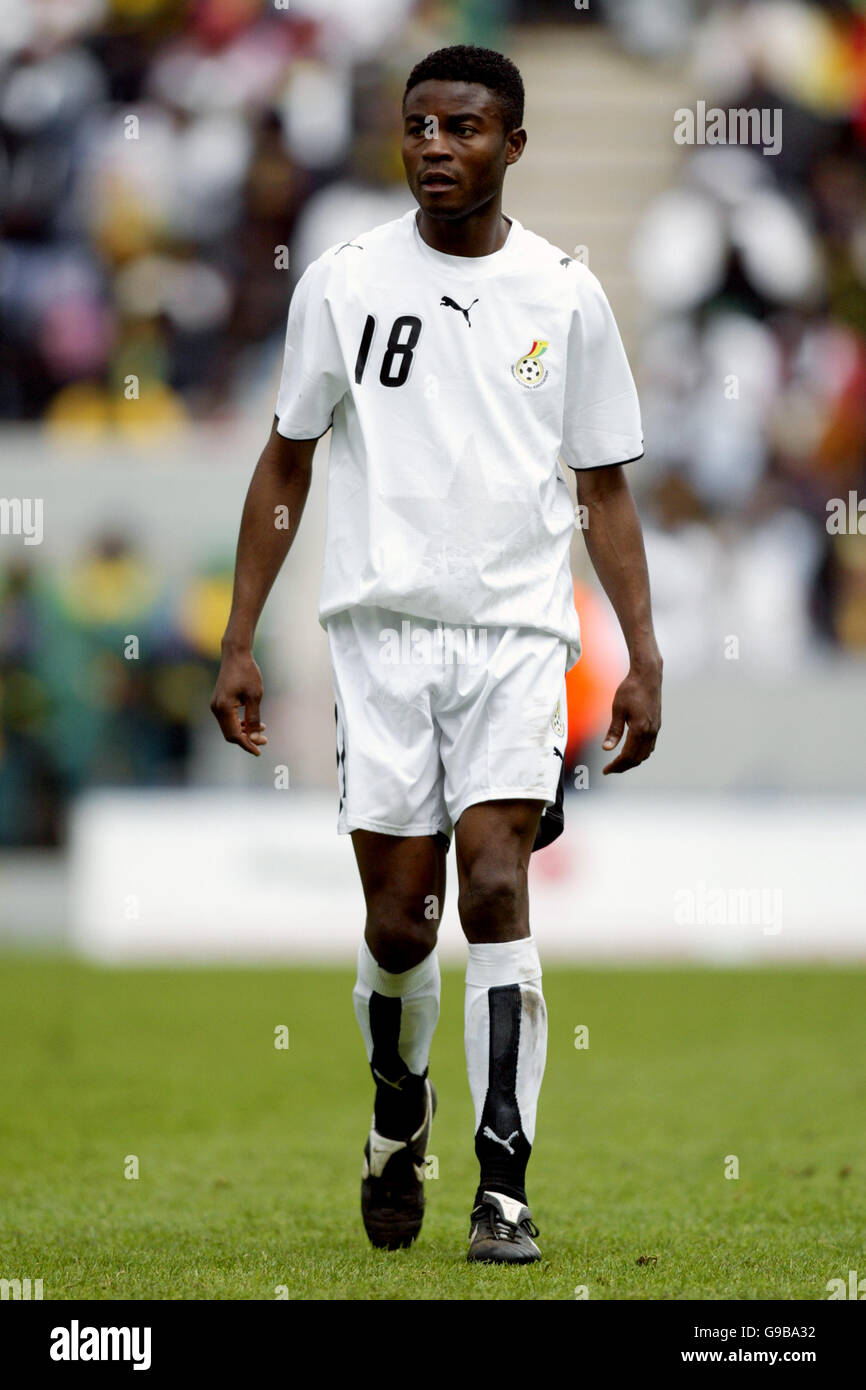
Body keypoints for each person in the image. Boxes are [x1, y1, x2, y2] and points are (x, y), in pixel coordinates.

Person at [211, 44, 662, 1265]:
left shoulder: (563, 293)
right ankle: (395, 1114)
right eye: (418, 126)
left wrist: (642, 652)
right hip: (380, 635)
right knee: (401, 924)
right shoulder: (345, 280)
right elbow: (287, 459)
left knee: (496, 881)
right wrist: (240, 633)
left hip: (518, 634)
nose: (434, 148)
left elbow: (603, 490)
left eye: (462, 129)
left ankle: (502, 1186)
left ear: (511, 146)